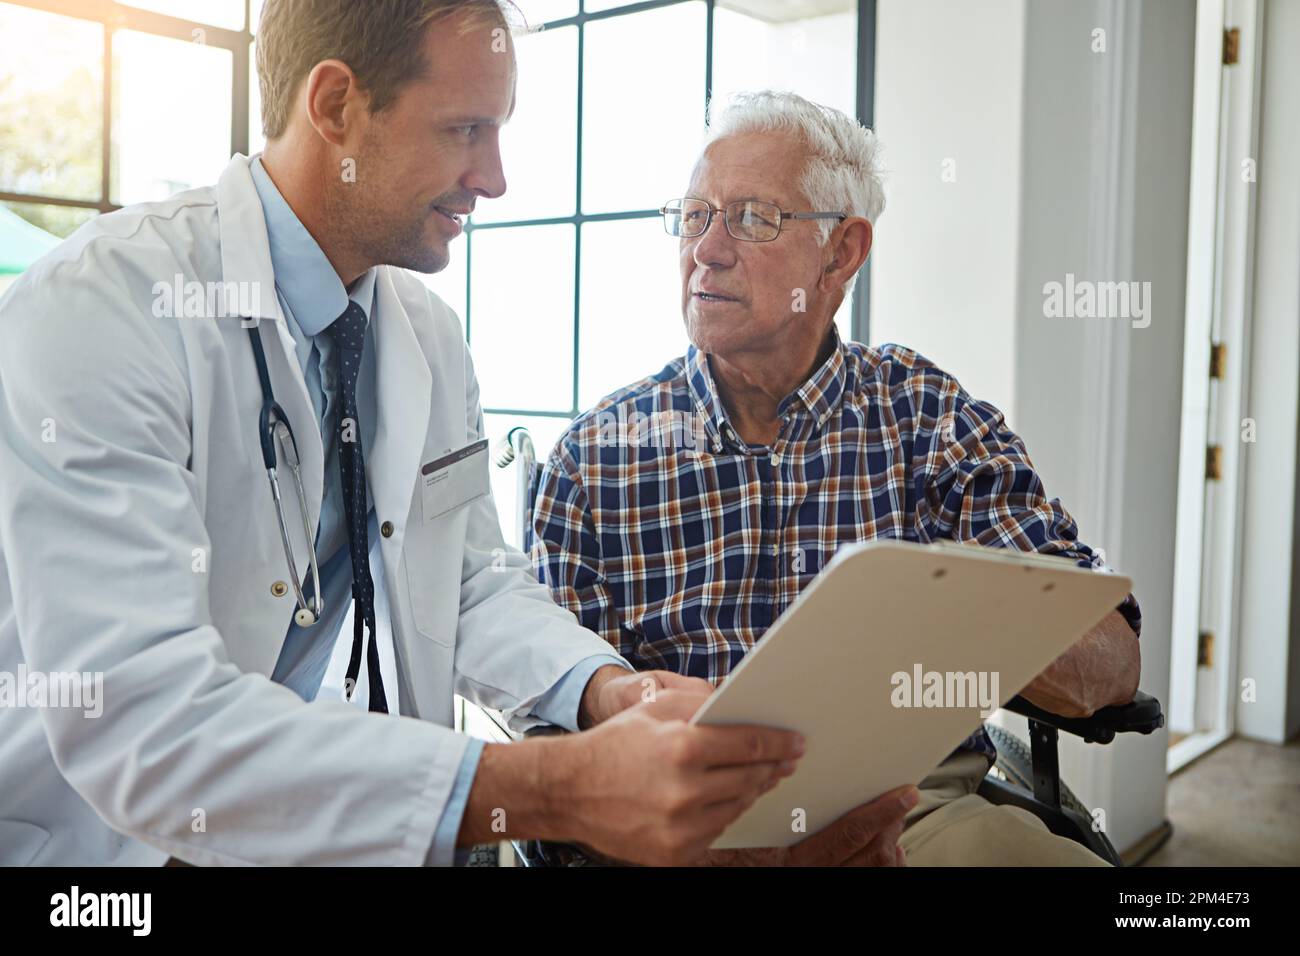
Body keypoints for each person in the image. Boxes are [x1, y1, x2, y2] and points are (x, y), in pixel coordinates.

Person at [0, 3, 920, 867]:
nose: (495, 178)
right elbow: (144, 723)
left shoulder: (424, 335)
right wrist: (552, 789)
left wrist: (609, 691)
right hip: (78, 850)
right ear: (335, 106)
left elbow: (472, 581)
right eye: (465, 131)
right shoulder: (107, 309)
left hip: (263, 826)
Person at [532, 90, 1143, 866]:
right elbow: (557, 735)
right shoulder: (596, 456)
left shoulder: (928, 417)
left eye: (753, 217)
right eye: (693, 215)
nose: (707, 250)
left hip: (915, 808)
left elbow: (1110, 669)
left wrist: (955, 617)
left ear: (842, 251)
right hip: (689, 833)